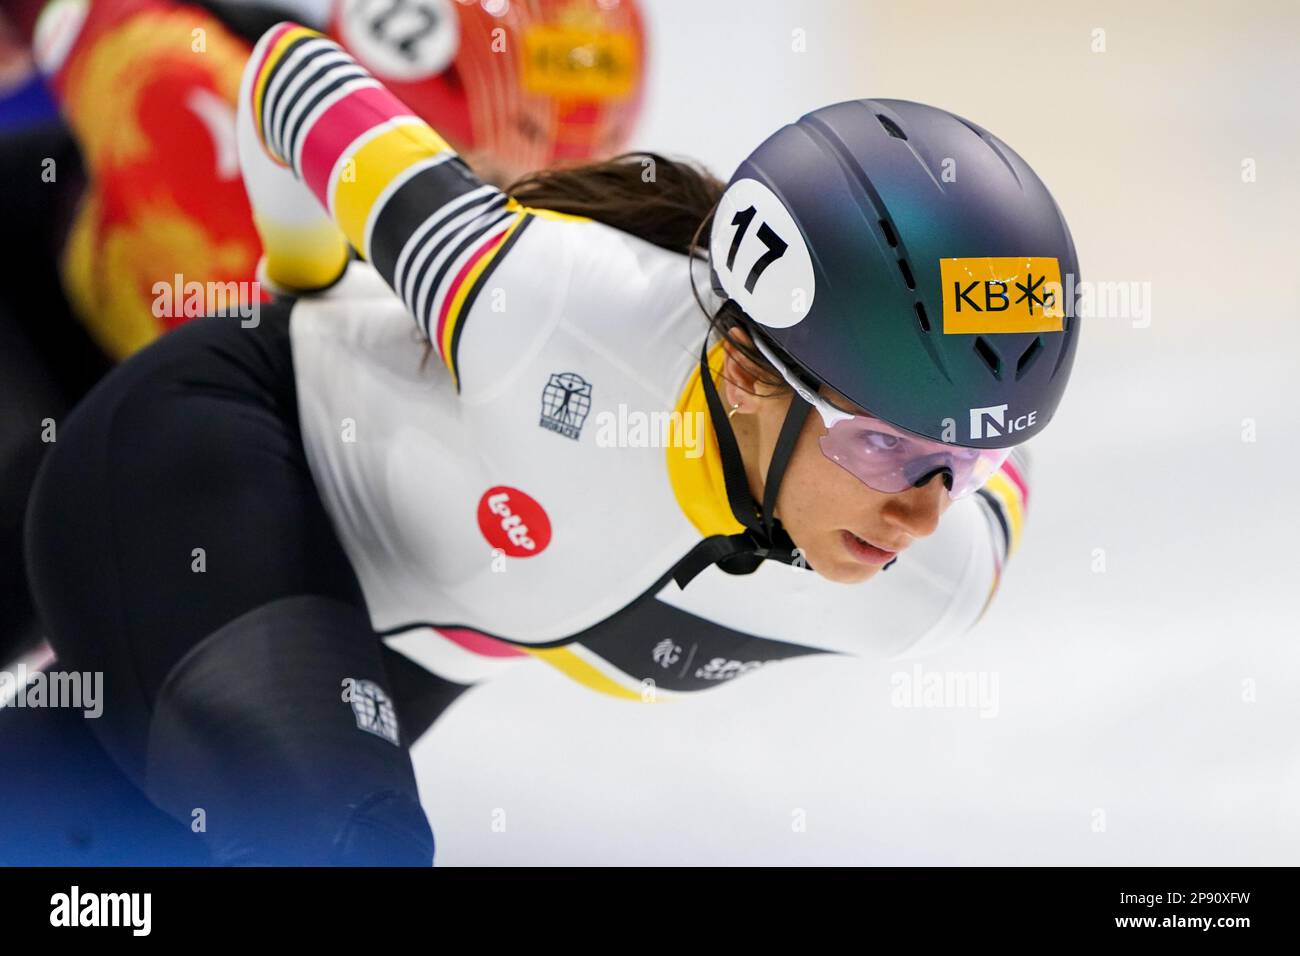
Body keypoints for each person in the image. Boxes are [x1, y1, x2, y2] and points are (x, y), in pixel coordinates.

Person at [23, 21, 1075, 864]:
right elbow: (293, 77)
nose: (924, 509)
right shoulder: (545, 306)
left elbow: (980, 482)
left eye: (964, 459)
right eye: (883, 447)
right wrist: (305, 280)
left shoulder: (932, 578)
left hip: (396, 638)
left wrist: (944, 442)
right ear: (748, 373)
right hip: (218, 461)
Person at [1, 0, 647, 663]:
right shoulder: (182, 76)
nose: (522, 236)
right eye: (493, 185)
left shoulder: (174, 67)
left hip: (139, 399)